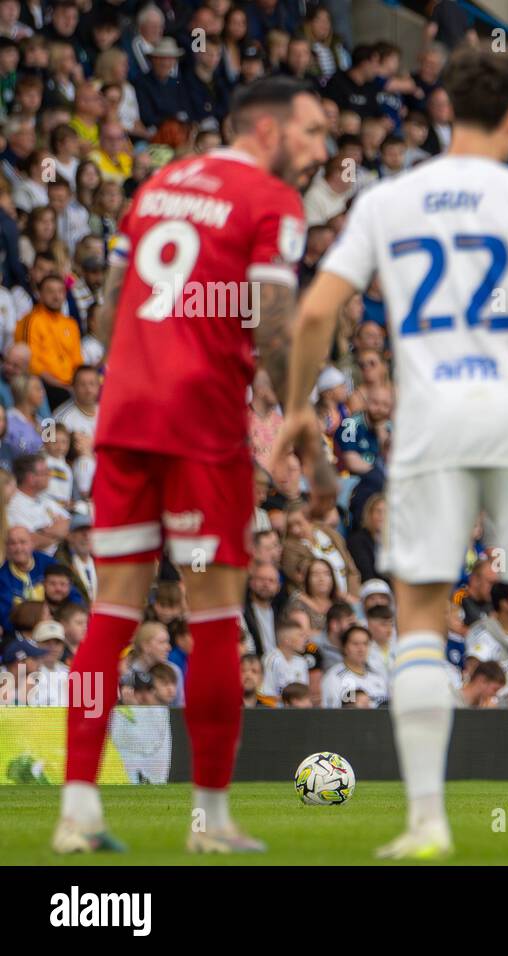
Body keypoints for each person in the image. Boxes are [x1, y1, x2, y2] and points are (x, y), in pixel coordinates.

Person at [274, 47, 508, 860]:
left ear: (446, 108)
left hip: (432, 425)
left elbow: (316, 309)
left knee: (421, 616)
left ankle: (426, 821)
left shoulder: (389, 199)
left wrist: (295, 408)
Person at [54, 77, 327, 856]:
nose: (319, 149)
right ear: (268, 131)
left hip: (125, 416)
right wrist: (295, 410)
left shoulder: (157, 187)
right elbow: (274, 322)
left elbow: (107, 310)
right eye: (309, 132)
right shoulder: (271, 201)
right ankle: (209, 823)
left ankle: (77, 810)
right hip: (202, 426)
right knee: (213, 625)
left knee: (110, 616)